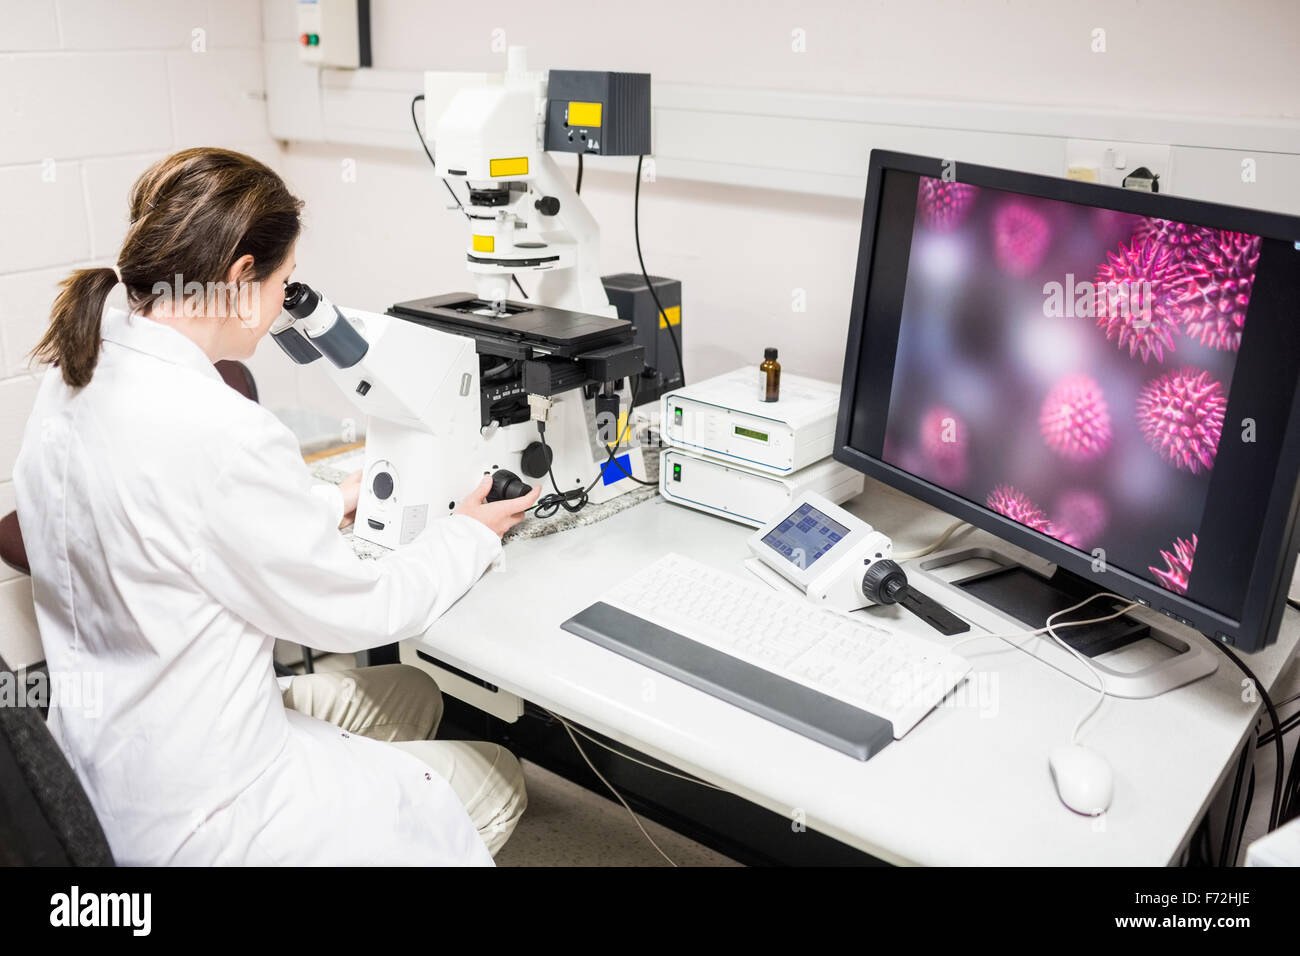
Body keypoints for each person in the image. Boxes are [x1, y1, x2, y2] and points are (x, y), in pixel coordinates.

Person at [13, 147, 540, 865]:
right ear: (239, 278)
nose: (280, 308)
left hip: (106, 757)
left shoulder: (77, 371)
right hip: (207, 811)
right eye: (284, 282)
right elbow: (366, 610)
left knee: (410, 691)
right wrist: (469, 535)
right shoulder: (221, 430)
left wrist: (329, 502)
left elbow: (179, 525)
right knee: (496, 780)